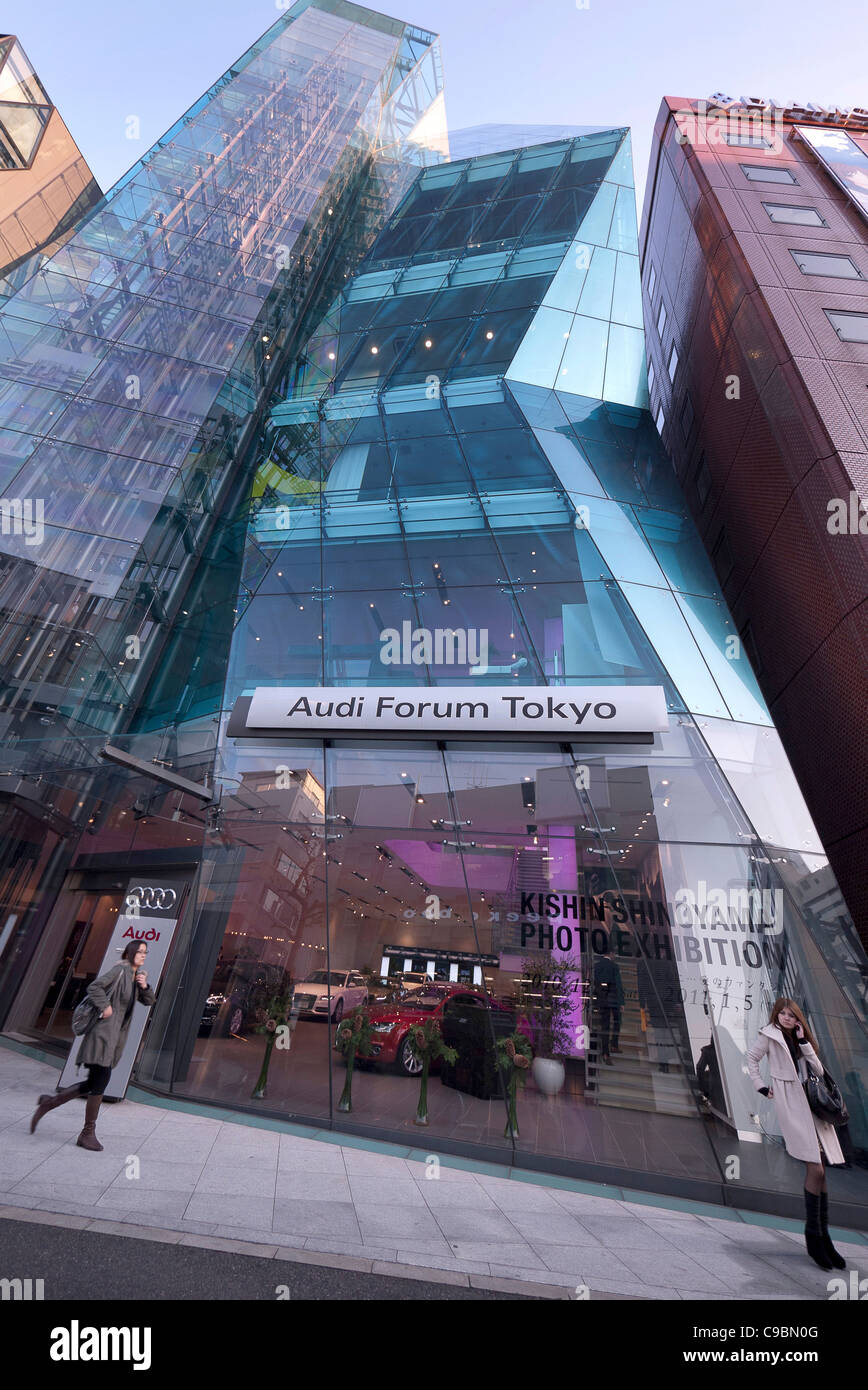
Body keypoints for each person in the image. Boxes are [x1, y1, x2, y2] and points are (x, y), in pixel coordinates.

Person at [747, 997, 846, 1271]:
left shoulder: (800, 1041)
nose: (787, 1018)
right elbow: (751, 1059)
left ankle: (823, 1237)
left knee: (821, 1168)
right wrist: (762, 1087)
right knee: (815, 1169)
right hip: (792, 1106)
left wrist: (804, 1043)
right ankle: (814, 1237)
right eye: (784, 1014)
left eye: (792, 1015)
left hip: (813, 1107)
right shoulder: (769, 1036)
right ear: (776, 1014)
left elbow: (819, 1071)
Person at [30, 941, 156, 1151]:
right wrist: (105, 1006)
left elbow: (149, 1001)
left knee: (94, 1083)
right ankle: (87, 1132)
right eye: (140, 952)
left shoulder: (135, 976)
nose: (143, 955)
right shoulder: (120, 970)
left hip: (114, 1038)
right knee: (100, 1080)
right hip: (102, 1035)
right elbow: (94, 987)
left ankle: (50, 1103)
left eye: (145, 952)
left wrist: (144, 986)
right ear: (131, 953)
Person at [594, 947, 624, 1065]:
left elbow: (595, 983)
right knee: (617, 1022)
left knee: (605, 1026)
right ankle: (614, 1045)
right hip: (614, 1000)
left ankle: (605, 1053)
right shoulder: (614, 966)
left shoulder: (597, 966)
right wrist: (621, 1002)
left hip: (602, 1000)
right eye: (614, 954)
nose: (615, 956)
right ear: (611, 953)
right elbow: (618, 985)